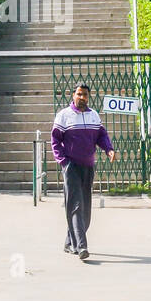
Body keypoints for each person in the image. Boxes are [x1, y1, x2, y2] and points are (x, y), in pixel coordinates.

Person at [51, 84, 115, 261]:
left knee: (86, 210)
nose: (82, 97)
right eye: (79, 94)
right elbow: (55, 140)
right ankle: (81, 246)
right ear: (73, 95)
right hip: (71, 166)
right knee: (76, 206)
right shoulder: (64, 116)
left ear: (88, 97)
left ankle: (69, 242)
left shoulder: (93, 115)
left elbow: (101, 136)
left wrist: (108, 149)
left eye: (85, 95)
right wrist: (63, 162)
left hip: (88, 166)